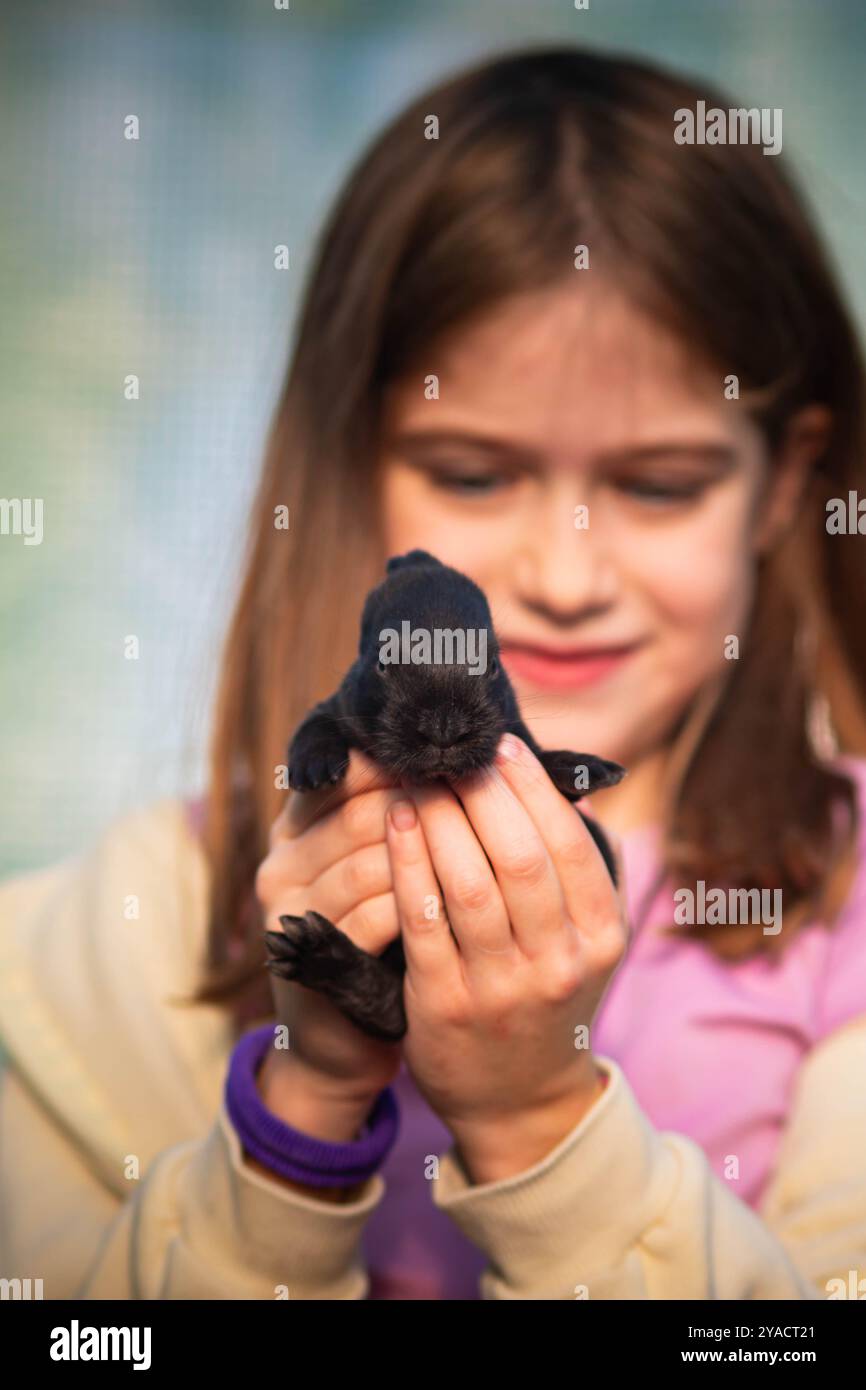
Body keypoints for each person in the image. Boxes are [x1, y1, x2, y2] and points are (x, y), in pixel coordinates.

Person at [2, 44, 866, 1302]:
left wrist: (537, 1119)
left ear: (783, 481)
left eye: (658, 485)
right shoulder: (124, 934)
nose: (563, 576)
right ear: (352, 462)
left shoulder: (845, 907)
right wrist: (304, 1107)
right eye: (471, 473)